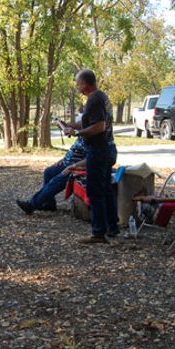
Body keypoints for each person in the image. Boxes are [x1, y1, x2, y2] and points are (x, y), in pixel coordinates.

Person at [62, 69, 119, 243]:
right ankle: (112, 227)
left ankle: (98, 233)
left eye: (78, 83)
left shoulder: (94, 100)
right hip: (108, 148)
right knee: (107, 189)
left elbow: (99, 126)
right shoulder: (101, 97)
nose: (77, 86)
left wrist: (78, 134)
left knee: (95, 192)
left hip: (99, 150)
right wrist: (71, 126)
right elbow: (89, 122)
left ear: (85, 84)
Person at [15, 137, 86, 214]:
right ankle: (49, 204)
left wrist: (74, 166)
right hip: (67, 164)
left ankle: (31, 205)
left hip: (76, 168)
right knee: (48, 172)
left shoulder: (93, 139)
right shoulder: (82, 136)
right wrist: (64, 159)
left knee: (56, 181)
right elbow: (75, 151)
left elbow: (90, 159)